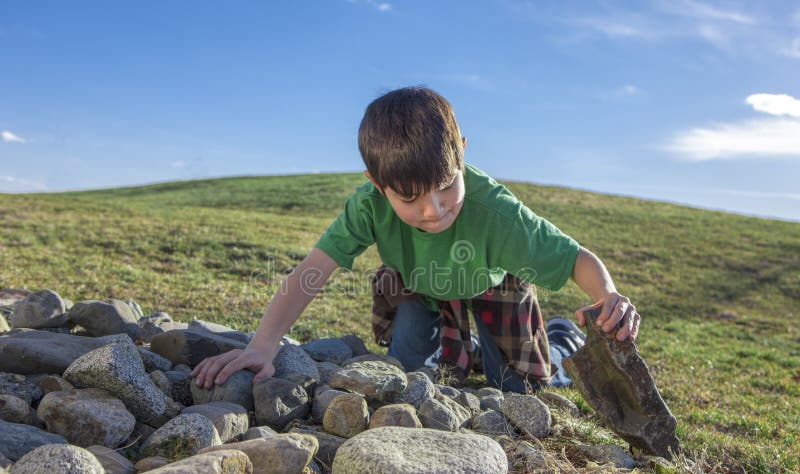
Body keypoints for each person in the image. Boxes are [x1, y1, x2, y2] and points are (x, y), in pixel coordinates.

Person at [191, 86, 640, 393]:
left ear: (461, 150)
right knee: (402, 370)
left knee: (518, 389)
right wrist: (262, 346)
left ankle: (560, 341)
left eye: (447, 184)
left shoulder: (497, 213)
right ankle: (460, 348)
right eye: (409, 198)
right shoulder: (368, 205)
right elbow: (312, 272)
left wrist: (610, 295)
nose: (435, 209)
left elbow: (576, 258)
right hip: (420, 287)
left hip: (492, 287)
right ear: (377, 182)